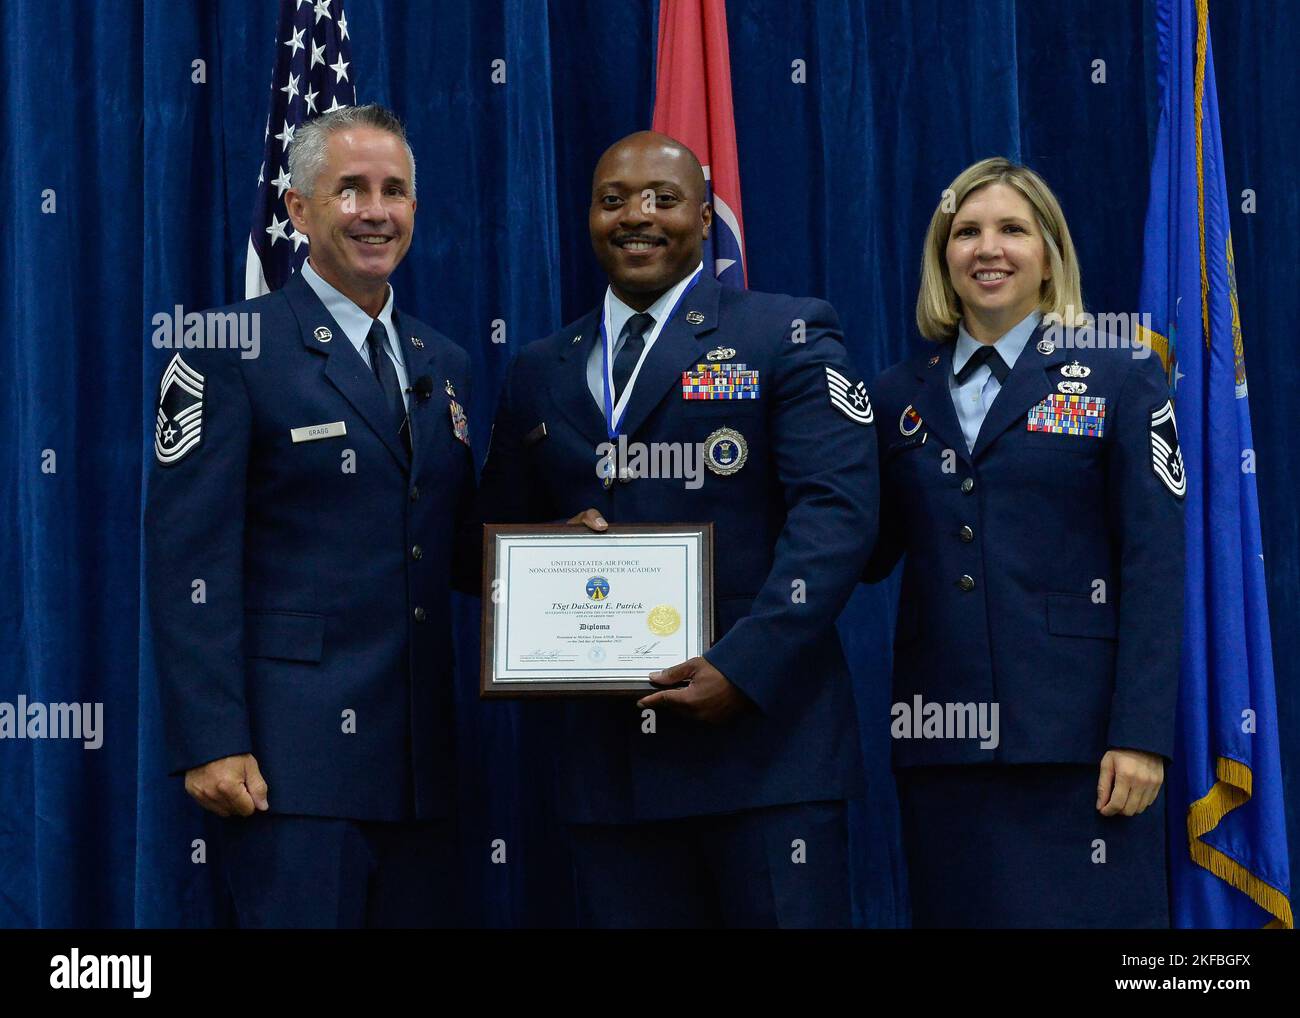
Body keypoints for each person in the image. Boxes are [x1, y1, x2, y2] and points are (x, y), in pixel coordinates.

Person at [478, 131, 878, 928]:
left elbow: (838, 517)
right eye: (614, 199)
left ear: (704, 217)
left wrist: (743, 668)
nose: (638, 216)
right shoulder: (538, 368)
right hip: (609, 769)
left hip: (765, 756)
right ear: (589, 217)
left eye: (662, 199)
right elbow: (491, 535)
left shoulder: (786, 334)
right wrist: (546, 553)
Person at [146, 104, 476, 927]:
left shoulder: (446, 359)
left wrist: (569, 555)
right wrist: (210, 739)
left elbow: (451, 545)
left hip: (419, 765)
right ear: (298, 208)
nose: (376, 211)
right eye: (351, 189)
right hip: (287, 768)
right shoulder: (227, 348)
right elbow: (189, 559)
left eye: (394, 191)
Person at [864, 157, 1185, 928]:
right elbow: (858, 550)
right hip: (943, 748)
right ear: (944, 256)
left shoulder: (1123, 374)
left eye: (1012, 229)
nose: (988, 248)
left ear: (1050, 254)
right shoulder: (893, 394)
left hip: (1081, 751)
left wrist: (1140, 737)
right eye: (966, 231)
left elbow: (1156, 564)